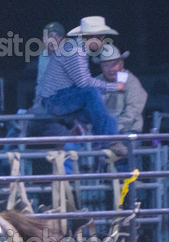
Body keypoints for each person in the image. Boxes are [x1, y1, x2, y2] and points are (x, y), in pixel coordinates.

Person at [35, 16, 123, 148]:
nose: (102, 41)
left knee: (109, 119)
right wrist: (113, 87)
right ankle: (107, 142)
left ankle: (103, 147)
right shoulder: (75, 51)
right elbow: (84, 83)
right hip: (53, 101)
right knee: (91, 93)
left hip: (62, 98)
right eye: (100, 37)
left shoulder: (76, 48)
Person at [96, 44, 147, 134]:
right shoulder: (96, 82)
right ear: (101, 67)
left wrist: (113, 129)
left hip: (127, 131)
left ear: (121, 64)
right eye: (106, 65)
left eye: (114, 64)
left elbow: (132, 110)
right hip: (101, 132)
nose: (111, 69)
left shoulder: (131, 81)